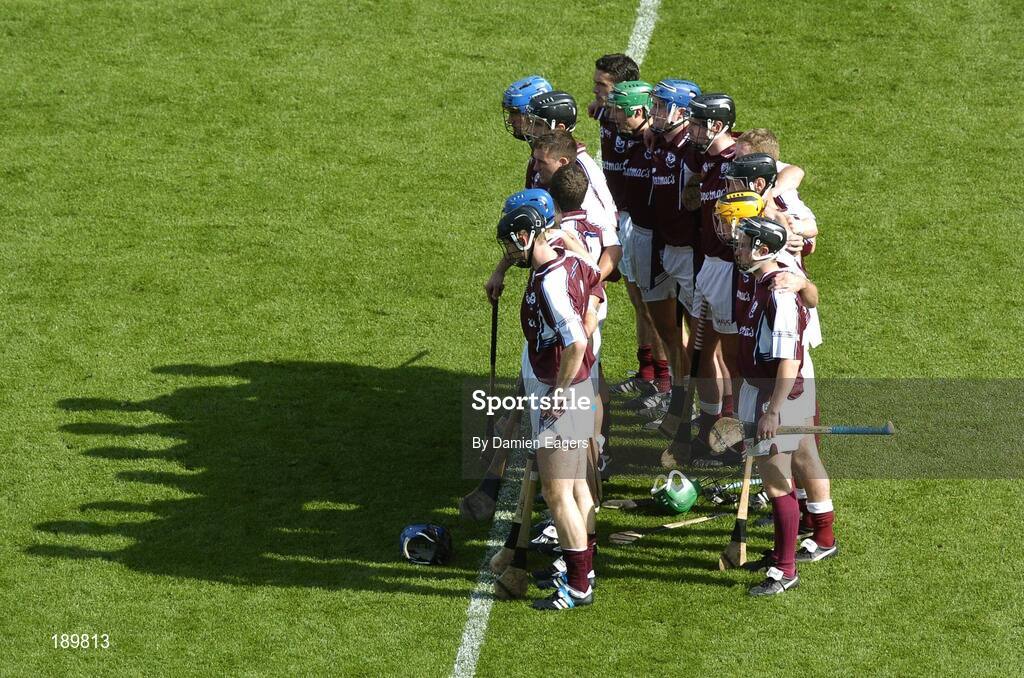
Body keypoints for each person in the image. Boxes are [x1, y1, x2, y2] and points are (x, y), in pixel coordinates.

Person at [497, 204, 603, 611]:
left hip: (561, 393)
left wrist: (560, 391)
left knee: (558, 495)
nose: (509, 251)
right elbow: (595, 281)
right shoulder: (567, 253)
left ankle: (578, 587)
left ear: (526, 237)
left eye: (511, 244)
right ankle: (583, 573)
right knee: (576, 489)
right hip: (576, 389)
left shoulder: (548, 284)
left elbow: (576, 341)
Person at [731, 216, 814, 596]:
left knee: (778, 481)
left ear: (764, 250)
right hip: (758, 390)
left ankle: (785, 570)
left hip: (775, 395)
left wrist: (773, 411)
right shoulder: (759, 282)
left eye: (746, 243)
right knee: (773, 478)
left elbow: (789, 361)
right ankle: (784, 557)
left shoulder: (778, 295)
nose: (739, 248)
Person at [588, 54, 669, 396]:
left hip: (643, 224)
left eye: (602, 87)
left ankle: (664, 383)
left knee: (654, 307)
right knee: (638, 303)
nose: (596, 94)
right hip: (619, 217)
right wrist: (597, 103)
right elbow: (598, 108)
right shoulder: (608, 114)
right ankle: (647, 371)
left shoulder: (649, 130)